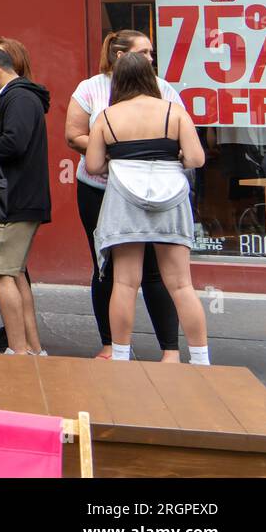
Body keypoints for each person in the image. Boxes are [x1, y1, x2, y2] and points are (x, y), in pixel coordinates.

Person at [66, 29, 183, 361]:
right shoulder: (91, 88)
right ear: (121, 55)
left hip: (153, 192)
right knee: (105, 268)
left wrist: (124, 147)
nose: (150, 58)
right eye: (144, 52)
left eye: (150, 52)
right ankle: (112, 346)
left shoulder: (165, 90)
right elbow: (73, 135)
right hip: (99, 190)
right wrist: (116, 146)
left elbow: (183, 137)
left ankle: (170, 350)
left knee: (156, 272)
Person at [84, 52, 209, 364]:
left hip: (124, 198)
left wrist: (119, 159)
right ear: (150, 78)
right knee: (181, 284)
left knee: (125, 283)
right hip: (172, 196)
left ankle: (122, 355)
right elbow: (196, 159)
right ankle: (201, 359)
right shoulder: (174, 112)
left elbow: (93, 164)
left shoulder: (107, 117)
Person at [0, 45, 51, 356]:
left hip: (12, 199)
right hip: (14, 197)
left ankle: (19, 352)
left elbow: (13, 144)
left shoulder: (18, 97)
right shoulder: (19, 96)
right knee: (13, 272)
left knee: (0, 271)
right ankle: (31, 348)